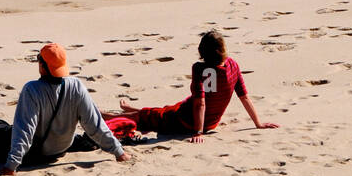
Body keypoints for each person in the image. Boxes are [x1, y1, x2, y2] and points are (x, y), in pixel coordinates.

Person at [0, 42, 132, 175]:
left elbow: (25, 132)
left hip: (36, 153)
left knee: (0, 129)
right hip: (60, 149)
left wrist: (11, 166)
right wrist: (119, 152)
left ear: (42, 66)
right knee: (7, 131)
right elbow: (95, 125)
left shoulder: (32, 90)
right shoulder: (77, 86)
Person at [119, 28, 278, 141]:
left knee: (149, 117)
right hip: (211, 122)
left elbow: (200, 103)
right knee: (165, 109)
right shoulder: (233, 66)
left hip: (187, 121)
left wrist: (198, 132)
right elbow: (244, 97)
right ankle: (136, 109)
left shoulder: (200, 68)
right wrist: (258, 123)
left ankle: (107, 115)